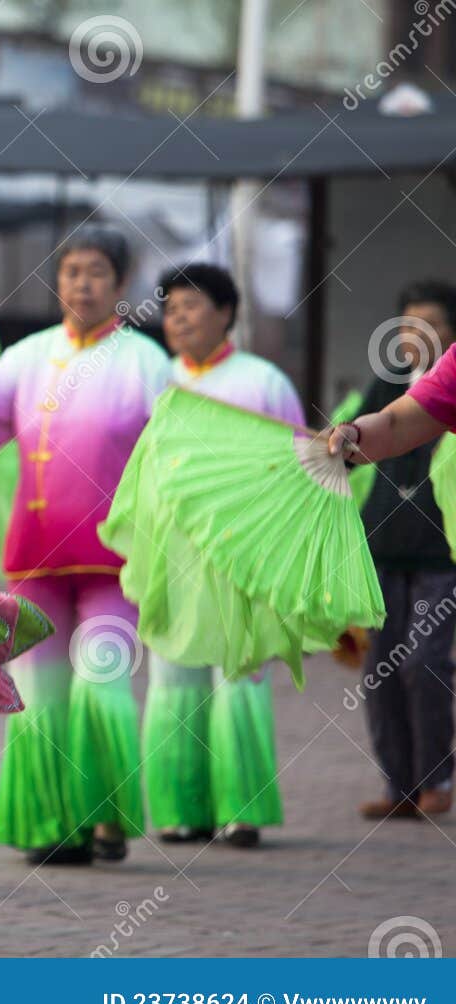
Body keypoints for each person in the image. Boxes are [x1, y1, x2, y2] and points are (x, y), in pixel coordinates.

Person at [0, 224, 171, 865]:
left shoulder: (147, 363)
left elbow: (181, 455)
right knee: (41, 695)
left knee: (103, 686)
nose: (83, 284)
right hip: (35, 558)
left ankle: (105, 816)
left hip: (116, 562)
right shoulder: (27, 357)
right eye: (72, 271)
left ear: (121, 284)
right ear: (57, 282)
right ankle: (50, 825)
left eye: (97, 272)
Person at [147, 263, 300, 848]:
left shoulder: (264, 382)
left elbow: (297, 470)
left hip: (244, 555)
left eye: (191, 305)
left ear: (227, 313)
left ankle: (242, 810)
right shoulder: (155, 381)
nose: (178, 318)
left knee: (240, 678)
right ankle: (180, 811)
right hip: (171, 553)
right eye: (170, 308)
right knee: (173, 681)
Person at [331, 281, 456, 819]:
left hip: (439, 556)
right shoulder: (387, 384)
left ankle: (436, 779)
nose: (417, 334)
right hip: (382, 550)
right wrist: (343, 438)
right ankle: (399, 787)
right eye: (409, 323)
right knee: (380, 668)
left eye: (432, 323)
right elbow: (368, 435)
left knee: (424, 663)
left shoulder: (449, 381)